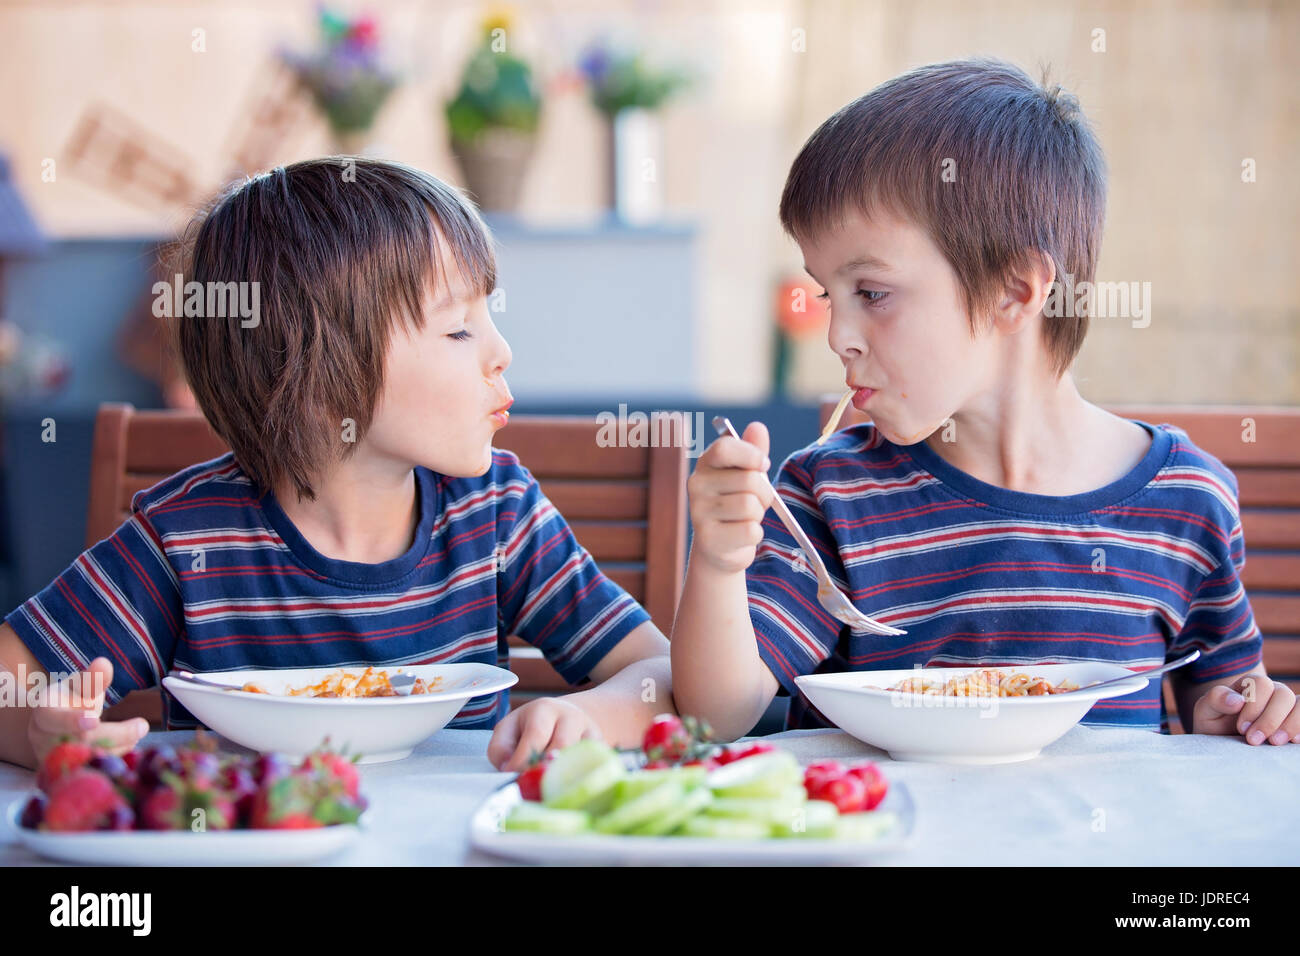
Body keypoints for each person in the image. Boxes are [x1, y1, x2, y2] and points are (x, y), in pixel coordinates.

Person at [672, 58, 1297, 746]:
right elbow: (716, 712)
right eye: (828, 295)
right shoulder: (834, 492)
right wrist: (720, 563)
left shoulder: (1185, 500)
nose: (838, 336)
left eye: (872, 294)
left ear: (1015, 290)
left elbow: (1225, 697)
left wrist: (1243, 712)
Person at [0, 157, 672, 773]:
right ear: (319, 374)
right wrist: (43, 733)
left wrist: (587, 716)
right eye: (459, 329)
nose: (502, 353)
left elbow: (660, 675)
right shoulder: (190, 538)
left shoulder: (495, 513)